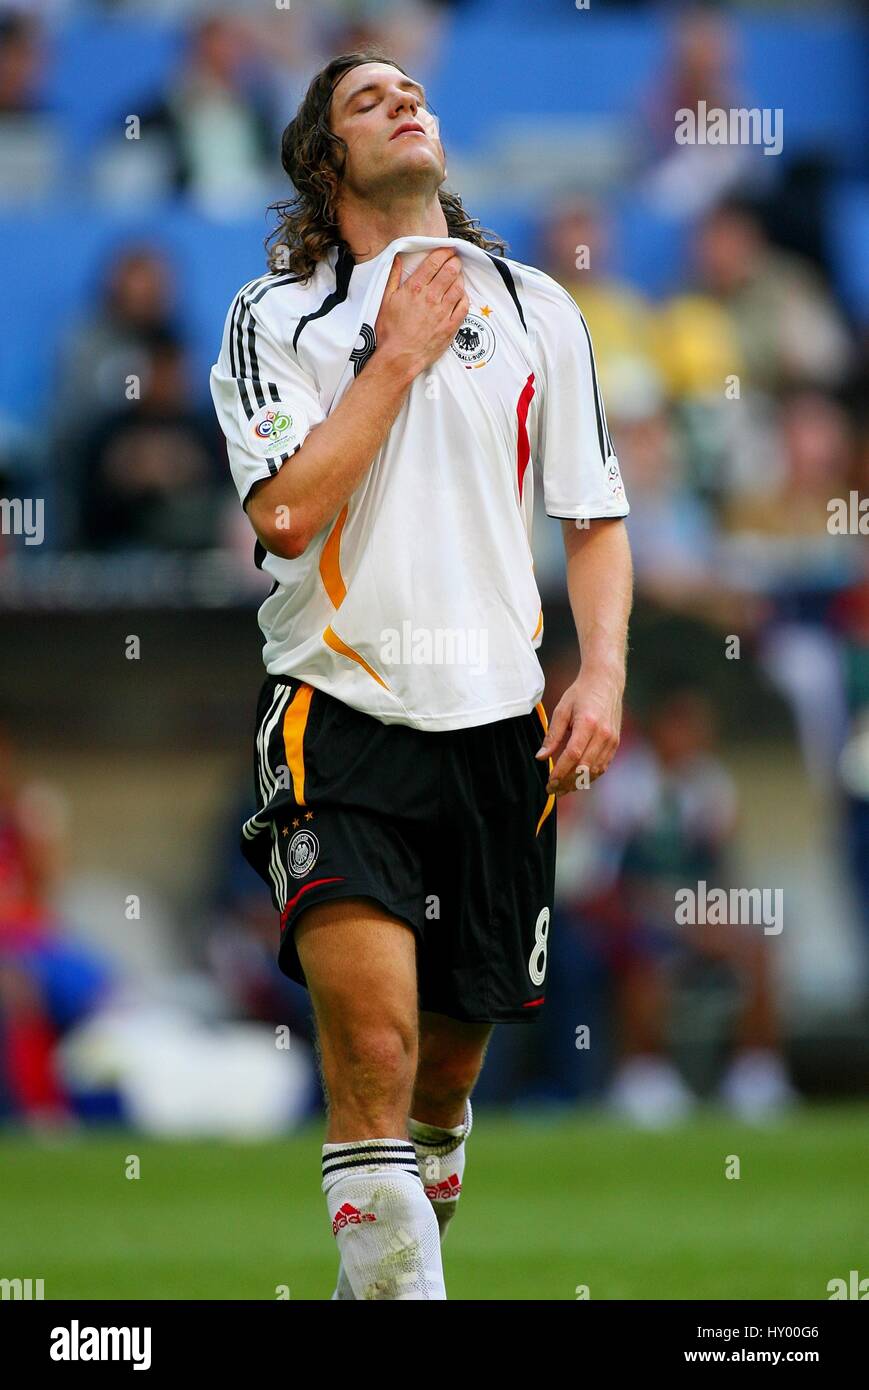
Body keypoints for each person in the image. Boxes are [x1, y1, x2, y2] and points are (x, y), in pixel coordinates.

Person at [210, 50, 632, 1301]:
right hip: (339, 721)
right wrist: (393, 356)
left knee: (442, 1082)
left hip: (501, 740)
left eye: (413, 91)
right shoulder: (272, 317)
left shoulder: (537, 308)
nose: (403, 102)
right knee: (379, 1052)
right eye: (365, 98)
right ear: (326, 160)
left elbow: (592, 516)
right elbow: (284, 517)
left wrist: (598, 669)